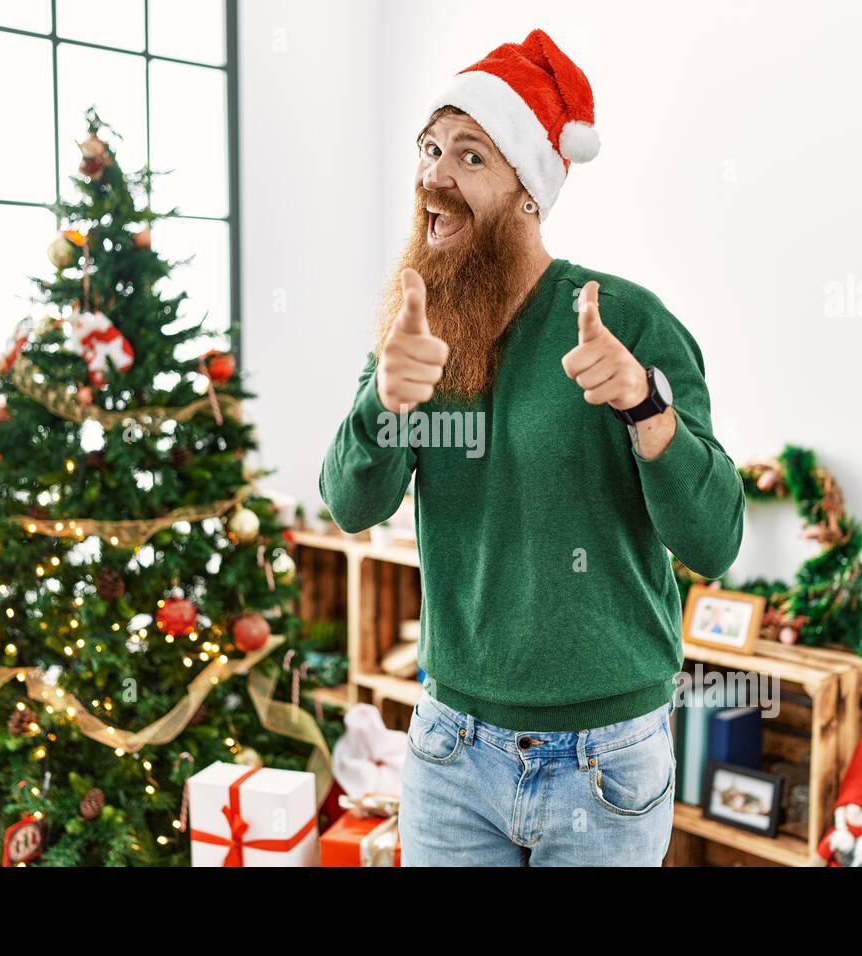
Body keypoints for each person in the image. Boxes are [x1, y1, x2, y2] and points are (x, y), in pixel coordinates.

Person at [319, 28, 745, 865]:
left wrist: (642, 405)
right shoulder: (418, 327)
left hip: (605, 762)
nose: (434, 176)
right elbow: (349, 504)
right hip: (449, 750)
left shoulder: (630, 321)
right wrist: (385, 397)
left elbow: (714, 541)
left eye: (470, 156)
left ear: (528, 193)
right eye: (431, 148)